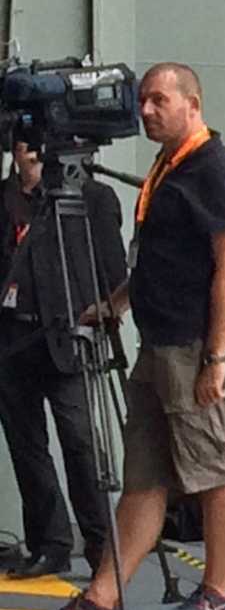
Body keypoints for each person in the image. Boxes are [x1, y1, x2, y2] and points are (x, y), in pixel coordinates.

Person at [29, 64, 225, 610]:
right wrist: (117, 303)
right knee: (145, 477)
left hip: (199, 344)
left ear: (193, 103)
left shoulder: (218, 171)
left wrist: (217, 358)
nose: (147, 110)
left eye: (160, 100)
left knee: (217, 468)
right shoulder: (169, 165)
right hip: (161, 342)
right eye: (143, 101)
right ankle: (103, 597)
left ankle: (220, 593)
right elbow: (162, 257)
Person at [0, 134, 127, 577]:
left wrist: (107, 314)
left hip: (69, 336)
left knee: (80, 442)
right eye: (23, 145)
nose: (31, 154)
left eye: (39, 146)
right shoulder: (4, 199)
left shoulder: (90, 196)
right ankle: (50, 544)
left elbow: (113, 268)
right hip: (11, 340)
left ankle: (99, 545)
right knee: (26, 446)